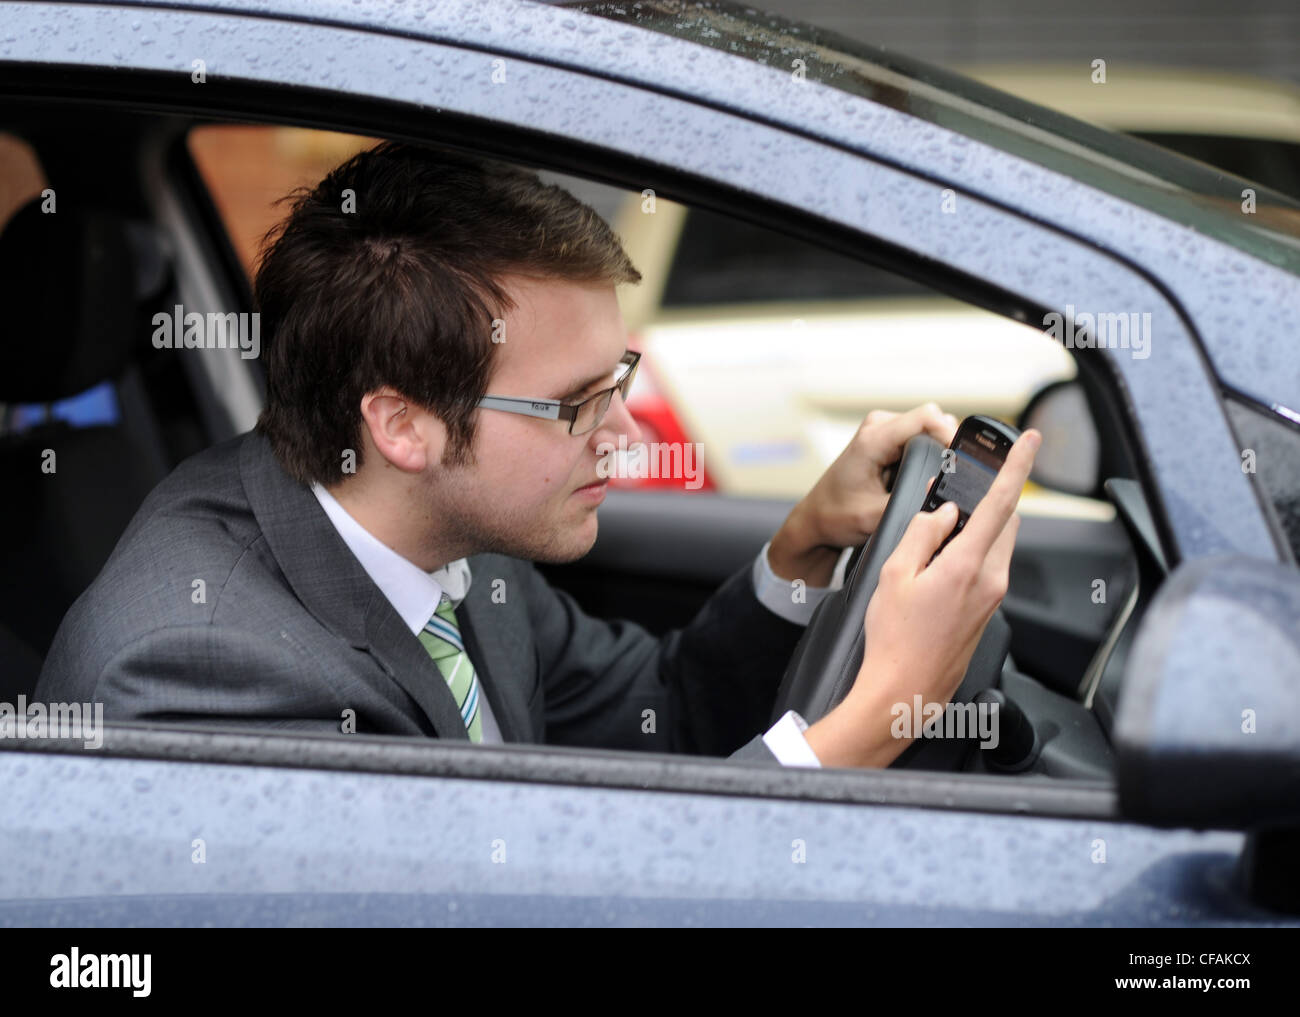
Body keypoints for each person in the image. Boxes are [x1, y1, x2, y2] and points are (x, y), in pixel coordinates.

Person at [35, 142, 1038, 768]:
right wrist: (864, 728)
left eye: (620, 378)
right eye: (576, 404)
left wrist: (803, 548)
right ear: (403, 425)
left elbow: (656, 715)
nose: (627, 434)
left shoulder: (443, 531)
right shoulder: (209, 673)